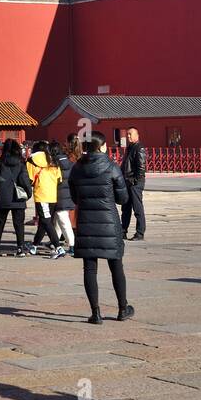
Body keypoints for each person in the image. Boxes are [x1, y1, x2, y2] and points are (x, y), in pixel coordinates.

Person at [69, 136, 134, 324]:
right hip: (109, 222)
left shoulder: (77, 169)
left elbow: (74, 197)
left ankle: (95, 312)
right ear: (103, 146)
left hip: (86, 222)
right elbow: (123, 198)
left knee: (89, 268)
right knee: (116, 267)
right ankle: (123, 308)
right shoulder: (112, 167)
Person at [0, 138, 32, 256]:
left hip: (4, 196)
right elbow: (24, 180)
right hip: (18, 198)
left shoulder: (0, 162)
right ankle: (20, 248)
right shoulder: (21, 162)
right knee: (19, 224)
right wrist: (28, 194)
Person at [27, 141, 65, 258]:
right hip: (52, 195)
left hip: (41, 194)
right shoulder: (53, 160)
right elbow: (59, 179)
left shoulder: (31, 161)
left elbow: (30, 179)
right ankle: (34, 245)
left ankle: (58, 247)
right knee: (44, 221)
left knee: (46, 222)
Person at [48, 140, 76, 255]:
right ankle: (54, 242)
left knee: (63, 220)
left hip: (59, 195)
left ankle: (72, 244)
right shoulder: (68, 161)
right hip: (68, 194)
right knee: (57, 220)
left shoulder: (55, 163)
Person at [121, 127, 147, 241]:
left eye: (130, 134)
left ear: (137, 135)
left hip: (135, 183)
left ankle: (140, 232)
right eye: (127, 135)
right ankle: (123, 231)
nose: (128, 137)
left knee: (137, 208)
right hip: (127, 182)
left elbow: (141, 167)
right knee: (125, 208)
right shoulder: (130, 148)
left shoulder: (139, 148)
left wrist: (135, 181)